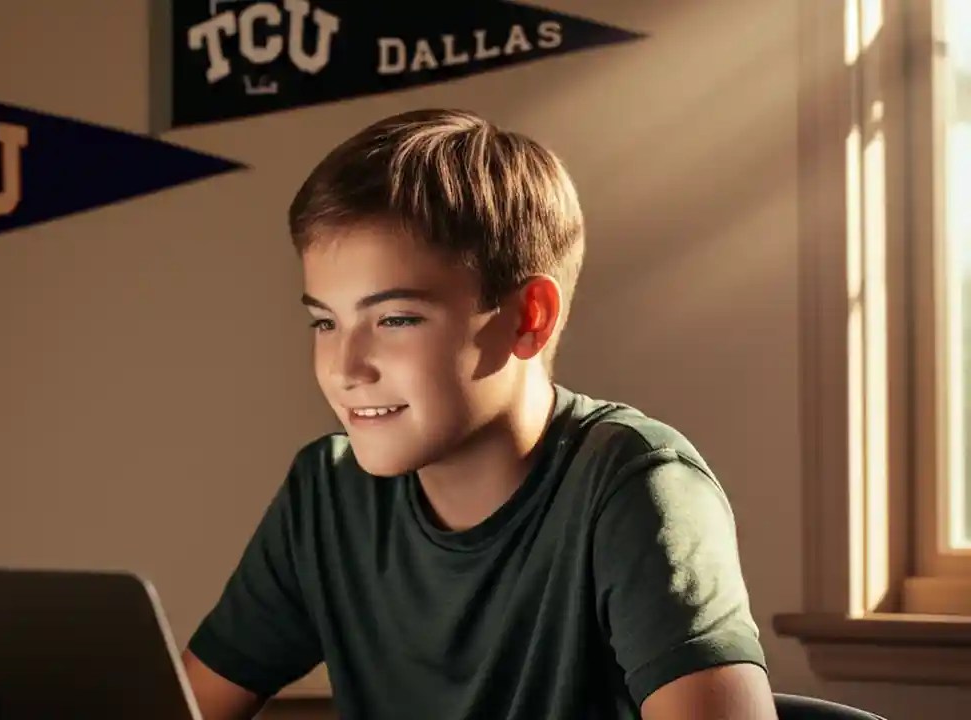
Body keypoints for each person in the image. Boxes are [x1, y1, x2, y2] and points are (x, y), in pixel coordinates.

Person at [180, 108, 776, 719]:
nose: (344, 368)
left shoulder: (636, 488)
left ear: (529, 318)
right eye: (325, 322)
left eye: (395, 319)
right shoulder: (327, 494)